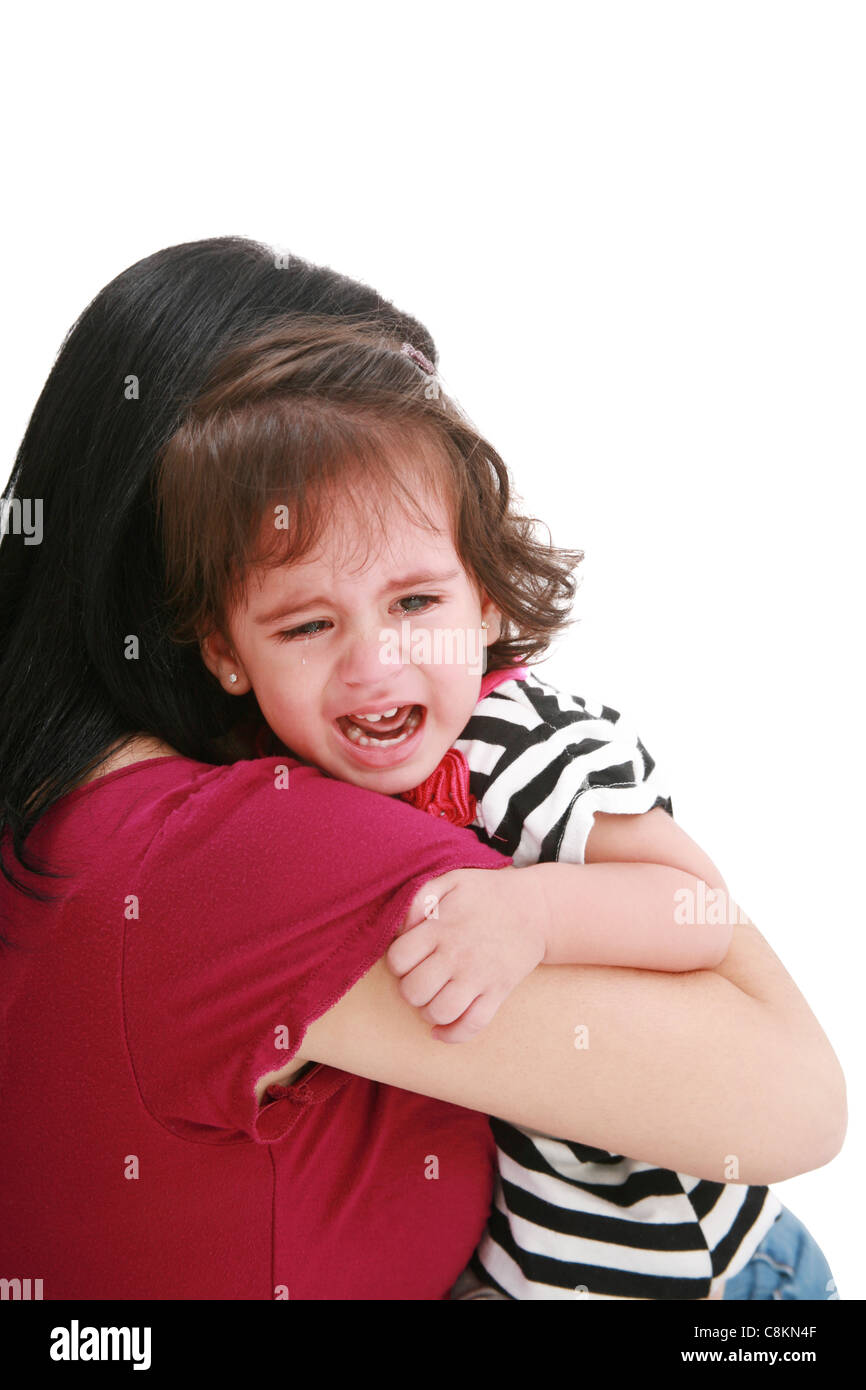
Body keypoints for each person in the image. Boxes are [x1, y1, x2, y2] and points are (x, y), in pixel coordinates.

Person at [0, 238, 846, 1301]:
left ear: (485, 596)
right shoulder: (234, 829)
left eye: (414, 601)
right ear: (212, 638)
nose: (374, 663)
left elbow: (707, 928)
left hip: (710, 1273)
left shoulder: (519, 747)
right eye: (307, 621)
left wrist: (532, 913)